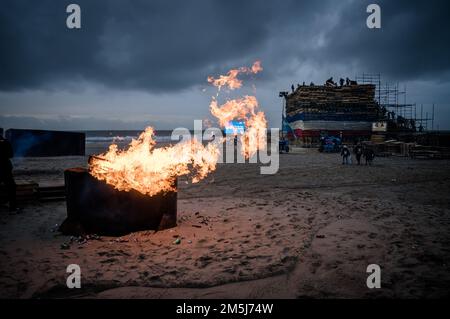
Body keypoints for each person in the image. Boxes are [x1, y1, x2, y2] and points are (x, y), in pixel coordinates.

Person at [0, 135, 16, 211]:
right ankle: (12, 207)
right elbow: (11, 155)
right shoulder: (6, 142)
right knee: (11, 187)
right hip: (5, 167)